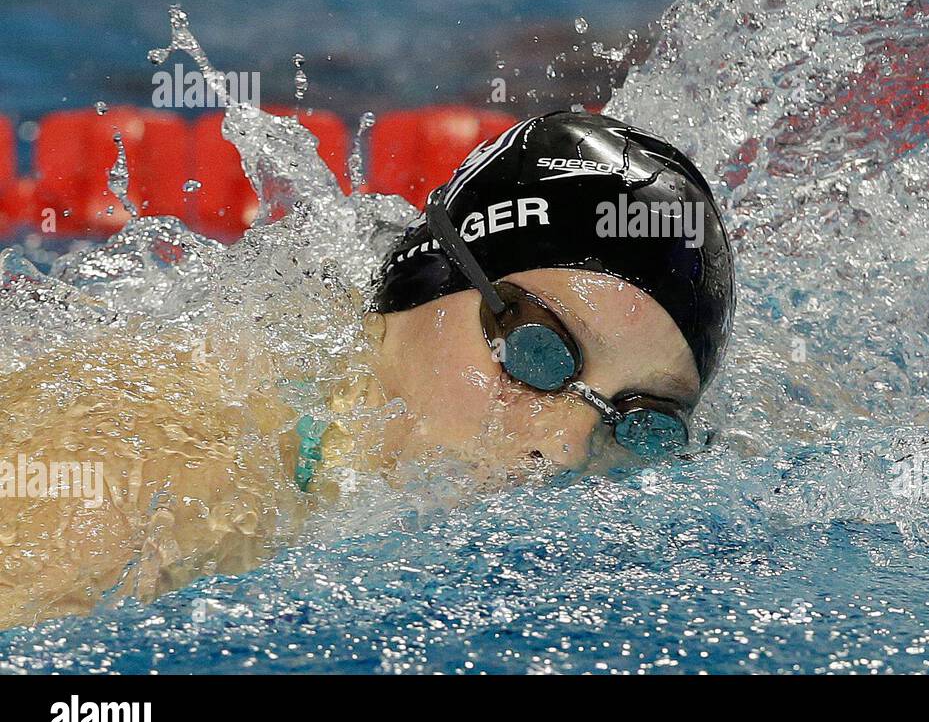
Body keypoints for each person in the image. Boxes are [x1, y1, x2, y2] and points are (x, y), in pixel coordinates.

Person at [0, 110, 736, 627]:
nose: (571, 448)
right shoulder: (159, 478)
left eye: (638, 422)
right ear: (428, 282)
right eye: (539, 353)